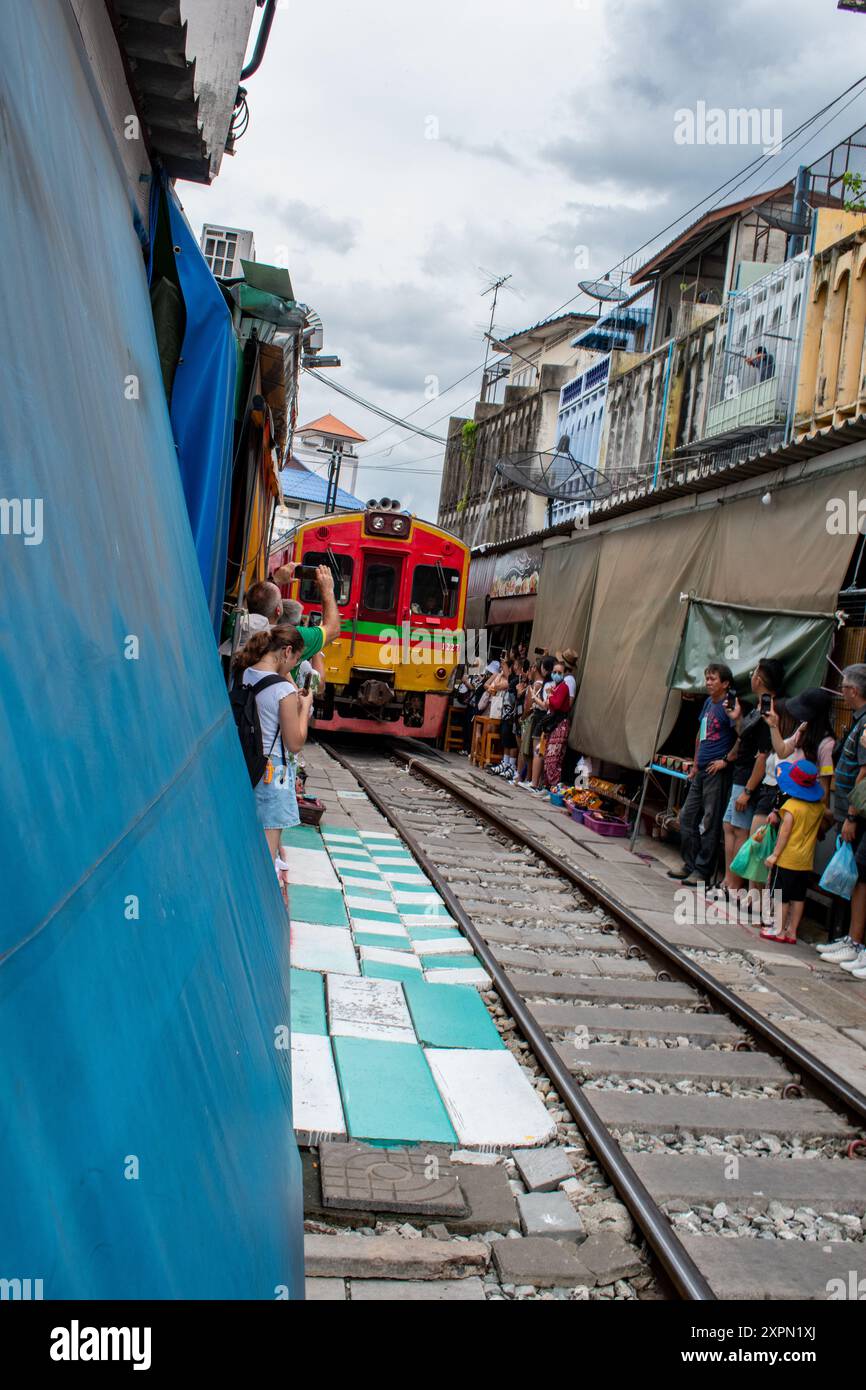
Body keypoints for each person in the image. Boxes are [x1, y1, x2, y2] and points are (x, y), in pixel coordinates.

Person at [231, 626, 313, 903]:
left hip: (245, 764)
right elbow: (295, 742)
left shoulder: (244, 673)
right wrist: (304, 709)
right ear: (286, 652)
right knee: (268, 844)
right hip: (272, 771)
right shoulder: (281, 690)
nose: (292, 667)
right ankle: (259, 899)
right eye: (294, 661)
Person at [720, 659, 784, 906]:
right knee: (729, 826)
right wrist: (737, 718)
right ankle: (729, 881)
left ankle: (735, 886)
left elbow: (763, 754)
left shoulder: (771, 710)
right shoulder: (758, 707)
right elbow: (744, 737)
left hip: (750, 776)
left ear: (761, 679)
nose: (751, 677)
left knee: (740, 830)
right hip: (740, 772)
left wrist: (748, 789)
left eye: (755, 673)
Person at [668, 663, 737, 886]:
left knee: (710, 821)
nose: (708, 682)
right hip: (701, 768)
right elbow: (701, 733)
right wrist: (696, 762)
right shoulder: (708, 702)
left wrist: (725, 761)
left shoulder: (729, 706)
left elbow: (741, 737)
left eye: (713, 679)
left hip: (716, 772)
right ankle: (690, 864)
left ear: (725, 683)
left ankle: (702, 870)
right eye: (707, 678)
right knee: (687, 817)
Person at [818, 664, 866, 965]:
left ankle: (854, 941)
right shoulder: (858, 721)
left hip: (857, 814)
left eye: (845, 688)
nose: (843, 693)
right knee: (852, 875)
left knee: (859, 875)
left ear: (854, 690)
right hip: (850, 811)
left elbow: (863, 772)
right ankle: (847, 937)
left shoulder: (865, 724)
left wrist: (851, 815)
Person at [761, 760, 825, 944]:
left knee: (781, 895)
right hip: (805, 861)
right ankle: (792, 932)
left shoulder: (790, 808)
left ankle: (778, 930)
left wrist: (774, 855)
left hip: (787, 859)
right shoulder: (818, 808)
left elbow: (784, 833)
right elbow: (828, 816)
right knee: (798, 897)